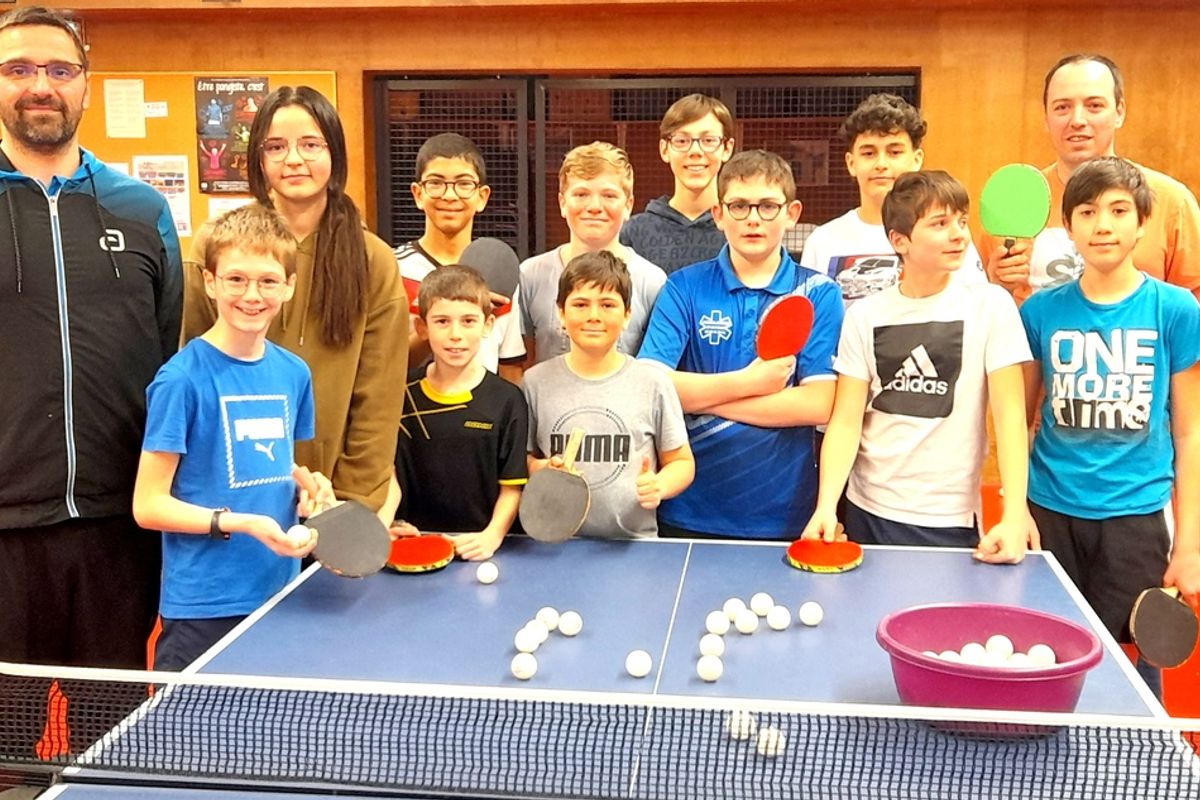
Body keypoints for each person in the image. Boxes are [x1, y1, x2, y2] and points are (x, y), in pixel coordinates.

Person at [0, 6, 180, 758]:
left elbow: (163, 345)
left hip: (115, 529)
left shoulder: (142, 210)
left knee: (109, 736)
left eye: (58, 70)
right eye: (19, 69)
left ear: (86, 84)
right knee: (5, 739)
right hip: (3, 532)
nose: (41, 85)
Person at [1019, 157, 1200, 695]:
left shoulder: (1175, 309)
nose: (1103, 224)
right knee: (1046, 658)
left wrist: (1188, 542)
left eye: (1119, 210)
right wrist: (1014, 507)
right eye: (1088, 211)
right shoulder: (1039, 312)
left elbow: (1190, 433)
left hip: (1136, 520)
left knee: (1134, 677)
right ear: (1068, 226)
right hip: (1050, 513)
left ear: (1142, 223)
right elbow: (1021, 420)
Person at [183, 86, 408, 515]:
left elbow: (379, 399)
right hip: (233, 491)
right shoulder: (213, 246)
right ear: (258, 159)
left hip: (331, 496)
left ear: (334, 153)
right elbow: (195, 371)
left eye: (310, 144)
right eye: (276, 146)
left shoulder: (373, 259)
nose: (293, 159)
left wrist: (352, 502)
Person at [133, 205, 331, 671]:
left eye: (267, 280)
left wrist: (307, 489)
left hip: (280, 591)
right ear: (210, 281)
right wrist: (239, 522)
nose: (251, 295)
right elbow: (148, 504)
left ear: (289, 286)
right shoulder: (180, 379)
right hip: (206, 605)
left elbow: (268, 464)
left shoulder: (293, 373)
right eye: (236, 279)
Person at [801, 171, 1033, 561]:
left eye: (961, 220)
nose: (959, 233)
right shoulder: (866, 315)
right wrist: (827, 505)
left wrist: (1013, 514)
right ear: (900, 240)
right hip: (867, 509)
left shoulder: (991, 306)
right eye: (940, 224)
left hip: (950, 518)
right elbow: (846, 420)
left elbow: (1010, 416)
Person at [639, 150, 843, 539]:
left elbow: (816, 403)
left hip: (782, 512)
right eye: (738, 206)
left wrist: (703, 396)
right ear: (718, 214)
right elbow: (652, 385)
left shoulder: (818, 293)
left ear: (792, 213)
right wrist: (752, 382)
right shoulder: (684, 286)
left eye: (767, 206)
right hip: (687, 507)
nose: (753, 218)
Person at [987, 54, 1200, 301]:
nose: (1077, 120)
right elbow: (976, 305)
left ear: (1119, 112)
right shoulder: (1013, 200)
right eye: (1062, 107)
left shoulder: (1171, 200)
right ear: (1046, 118)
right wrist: (995, 287)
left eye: (1094, 106)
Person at [524, 251, 693, 537]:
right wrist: (543, 468)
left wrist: (660, 485)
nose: (593, 316)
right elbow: (524, 460)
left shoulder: (653, 383)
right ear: (560, 313)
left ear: (627, 315)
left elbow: (681, 462)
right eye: (580, 304)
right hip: (557, 545)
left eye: (607, 305)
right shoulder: (534, 382)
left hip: (633, 544)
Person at [384, 265, 529, 561]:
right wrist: (384, 523)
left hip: (482, 546)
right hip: (415, 545)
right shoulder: (400, 394)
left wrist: (493, 535)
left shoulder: (507, 400)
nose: (455, 335)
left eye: (468, 321)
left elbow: (512, 486)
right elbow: (390, 475)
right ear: (422, 327)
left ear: (488, 325)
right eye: (442, 321)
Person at [800, 93, 985, 305]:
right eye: (869, 153)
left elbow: (977, 308)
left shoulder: (948, 234)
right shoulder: (822, 241)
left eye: (894, 152)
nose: (881, 163)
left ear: (916, 160)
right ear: (851, 163)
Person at [520, 141, 665, 366]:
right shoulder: (530, 275)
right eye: (581, 194)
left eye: (609, 195)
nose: (594, 206)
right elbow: (520, 363)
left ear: (628, 205)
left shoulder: (652, 281)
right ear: (561, 203)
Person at [395, 133, 525, 382]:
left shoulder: (499, 271)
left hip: (481, 417)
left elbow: (510, 367)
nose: (450, 196)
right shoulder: (392, 269)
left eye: (464, 184)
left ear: (482, 196)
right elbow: (383, 366)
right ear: (417, 193)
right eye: (436, 183)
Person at [620, 93, 735, 274]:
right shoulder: (634, 232)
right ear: (664, 149)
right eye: (682, 141)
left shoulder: (739, 227)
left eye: (709, 140)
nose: (695, 151)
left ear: (727, 148)